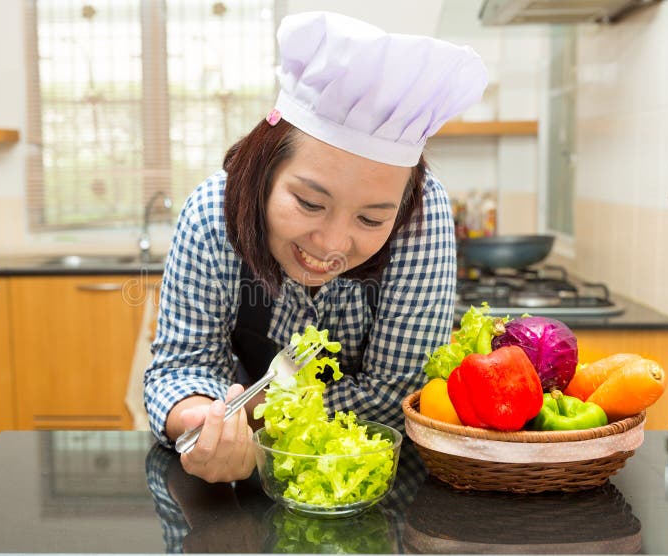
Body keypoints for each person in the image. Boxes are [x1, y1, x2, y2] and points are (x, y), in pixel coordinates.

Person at [144, 11, 488, 482]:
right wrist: (202, 423)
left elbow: (398, 394)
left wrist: (250, 410)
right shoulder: (211, 214)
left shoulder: (421, 218)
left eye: (370, 218)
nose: (330, 244)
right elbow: (180, 368)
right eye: (308, 203)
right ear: (264, 171)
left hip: (368, 479)